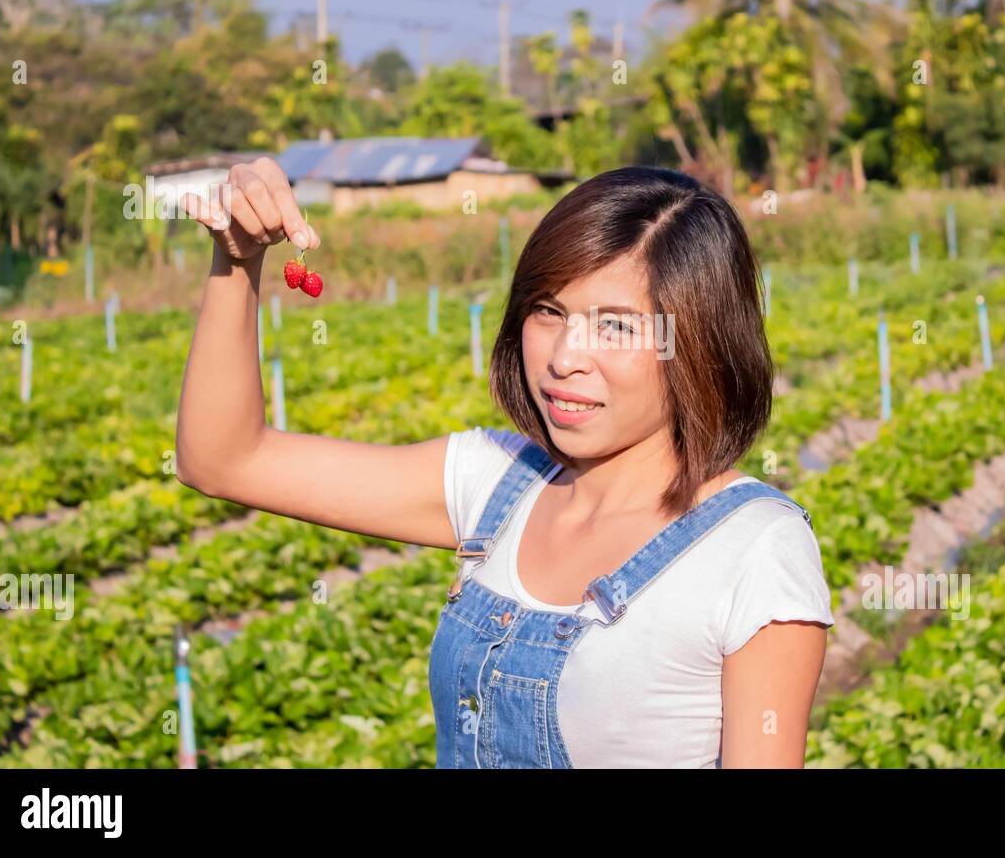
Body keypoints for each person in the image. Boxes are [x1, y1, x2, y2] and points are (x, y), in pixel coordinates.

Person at [176, 159, 835, 769]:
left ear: (698, 341)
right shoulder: (493, 481)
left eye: (616, 326)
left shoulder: (754, 550)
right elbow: (225, 461)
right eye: (549, 312)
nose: (565, 357)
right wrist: (237, 261)